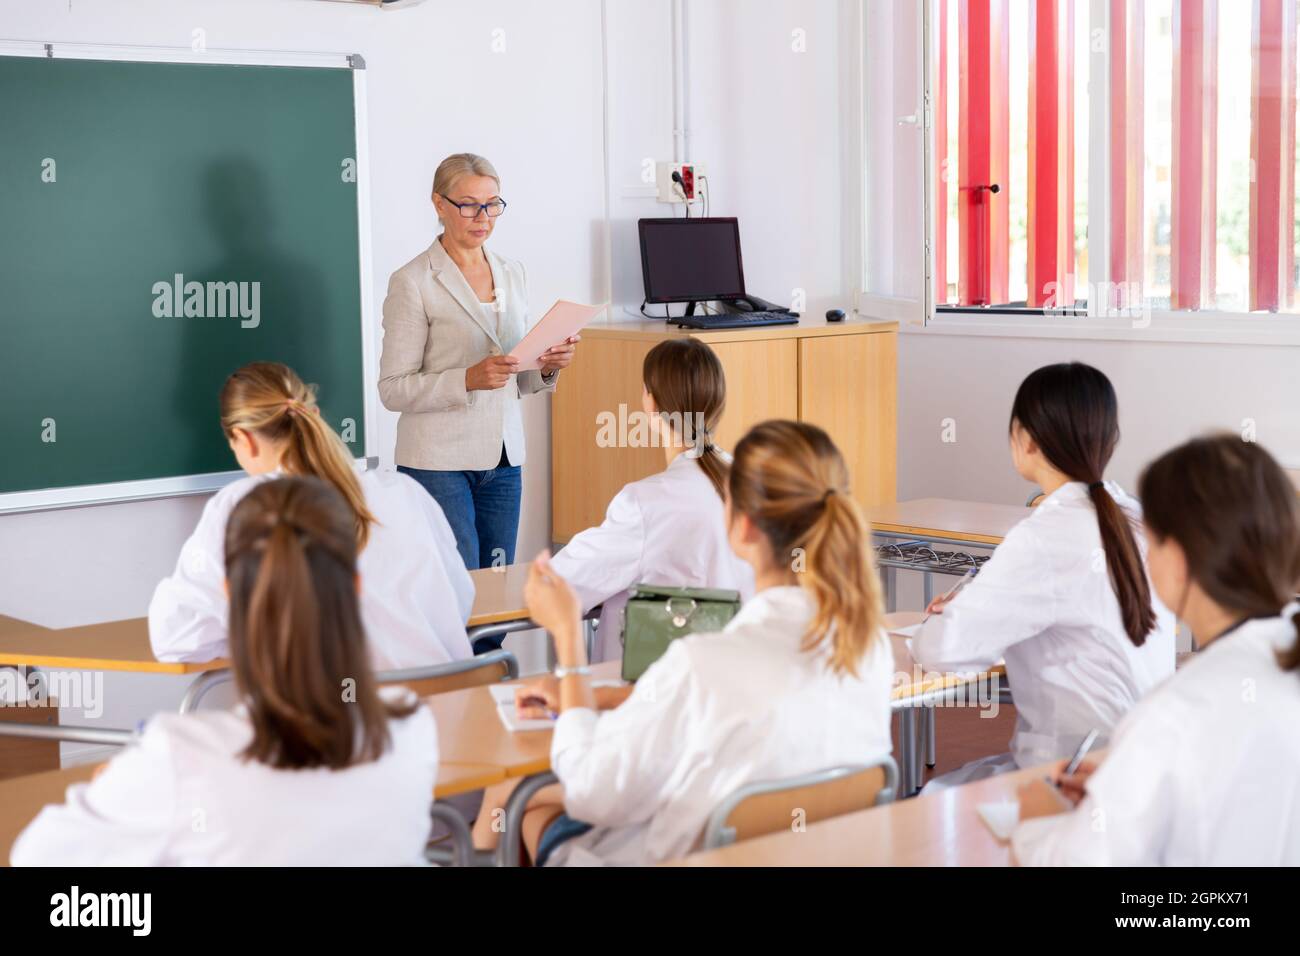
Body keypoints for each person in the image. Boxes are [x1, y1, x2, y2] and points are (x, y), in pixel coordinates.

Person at [474, 420, 894, 866]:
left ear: (744, 527)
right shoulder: (868, 647)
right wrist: (611, 697)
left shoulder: (702, 662)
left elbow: (591, 790)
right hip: (810, 854)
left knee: (526, 800)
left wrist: (568, 643)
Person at [13, 477, 439, 866]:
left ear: (229, 596)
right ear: (355, 587)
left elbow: (35, 856)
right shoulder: (410, 727)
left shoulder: (178, 758)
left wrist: (119, 788)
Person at [1014, 435, 1300, 865]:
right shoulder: (1278, 657)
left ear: (1179, 559)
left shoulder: (1175, 713)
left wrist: (1035, 824)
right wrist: (1120, 787)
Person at [912, 362, 1176, 784]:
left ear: (1025, 439)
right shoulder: (1143, 519)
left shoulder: (1042, 538)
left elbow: (940, 651)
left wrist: (942, 618)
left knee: (934, 804)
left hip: (1076, 773)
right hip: (1150, 766)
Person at [150, 361, 473, 669]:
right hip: (444, 708)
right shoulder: (402, 489)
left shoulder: (245, 506)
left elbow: (177, 639)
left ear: (244, 439)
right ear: (313, 414)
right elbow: (459, 599)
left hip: (333, 719)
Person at [379, 152, 577, 574]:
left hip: (504, 459)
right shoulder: (412, 280)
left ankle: (494, 647)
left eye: (493, 204)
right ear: (439, 204)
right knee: (458, 590)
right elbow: (393, 388)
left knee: (499, 585)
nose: (483, 216)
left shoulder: (512, 271)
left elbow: (513, 375)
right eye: (469, 204)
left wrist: (546, 365)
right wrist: (466, 379)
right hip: (439, 464)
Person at [549, 337, 753, 662]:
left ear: (651, 404)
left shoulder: (644, 504)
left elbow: (562, 582)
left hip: (650, 689)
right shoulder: (757, 485)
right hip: (733, 682)